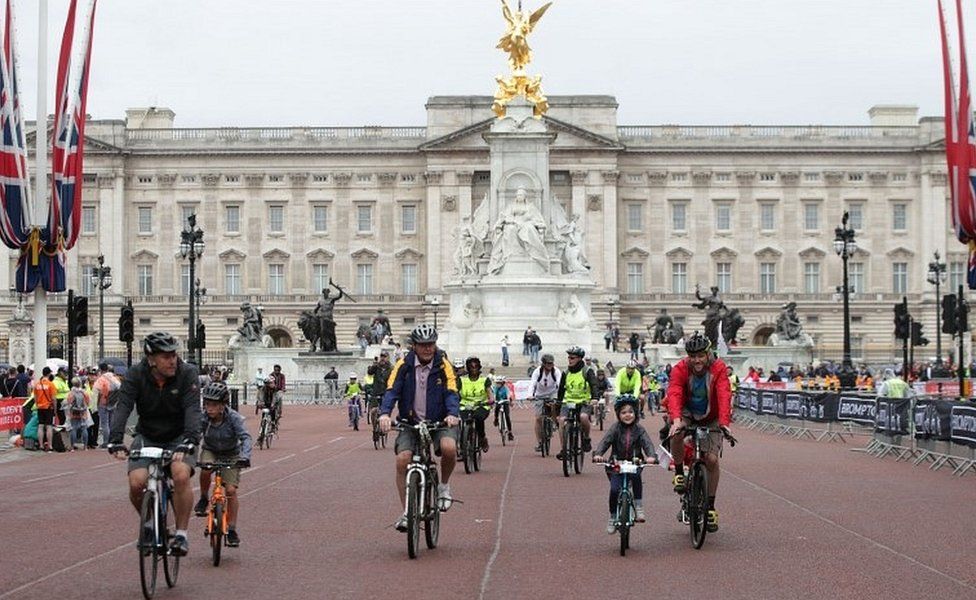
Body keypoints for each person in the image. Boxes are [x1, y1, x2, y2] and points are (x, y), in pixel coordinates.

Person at [108, 332, 202, 557]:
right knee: (136, 482)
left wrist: (190, 440)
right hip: (148, 435)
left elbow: (193, 410)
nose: (172, 361)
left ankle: (181, 534)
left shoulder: (187, 373)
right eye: (166, 356)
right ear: (151, 359)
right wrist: (115, 439)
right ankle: (149, 524)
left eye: (174, 355)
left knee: (180, 475)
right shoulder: (135, 375)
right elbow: (124, 407)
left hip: (180, 436)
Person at [378, 324, 460, 531]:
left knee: (449, 448)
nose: (427, 349)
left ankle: (443, 486)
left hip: (439, 420)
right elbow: (391, 390)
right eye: (423, 345)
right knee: (402, 460)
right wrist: (385, 414)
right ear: (414, 346)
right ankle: (407, 512)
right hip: (410, 421)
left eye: (430, 344)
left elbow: (451, 390)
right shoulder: (403, 365)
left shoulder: (443, 364)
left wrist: (452, 414)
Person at [666, 332, 733, 534]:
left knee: (711, 460)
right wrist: (677, 420)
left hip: (711, 416)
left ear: (708, 354)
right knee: (677, 433)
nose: (696, 360)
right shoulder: (680, 368)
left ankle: (710, 507)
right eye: (692, 356)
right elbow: (675, 392)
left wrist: (724, 423)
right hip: (687, 412)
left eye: (700, 355)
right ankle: (679, 472)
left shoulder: (719, 368)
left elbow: (723, 393)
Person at [192, 381, 252, 547]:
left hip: (231, 454)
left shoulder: (234, 418)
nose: (209, 408)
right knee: (205, 469)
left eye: (214, 405)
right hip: (210, 450)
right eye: (207, 404)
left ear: (223, 405)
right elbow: (195, 435)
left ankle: (232, 529)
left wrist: (245, 456)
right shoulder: (203, 418)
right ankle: (204, 498)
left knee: (231, 490)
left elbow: (245, 437)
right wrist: (189, 448)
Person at [592, 395, 656, 533]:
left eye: (631, 412)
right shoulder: (615, 428)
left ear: (636, 413)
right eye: (624, 412)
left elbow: (647, 443)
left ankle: (639, 507)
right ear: (618, 415)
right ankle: (613, 516)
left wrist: (651, 456)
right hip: (616, 465)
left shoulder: (639, 429)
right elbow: (605, 441)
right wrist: (598, 454)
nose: (628, 415)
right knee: (614, 490)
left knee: (636, 478)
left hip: (634, 463)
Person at [557, 346, 598, 459]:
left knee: (584, 417)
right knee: (561, 421)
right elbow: (561, 389)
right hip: (568, 401)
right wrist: (558, 402)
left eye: (572, 358)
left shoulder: (587, 371)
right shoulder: (566, 372)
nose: (569, 360)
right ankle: (564, 449)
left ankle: (586, 438)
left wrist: (595, 398)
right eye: (568, 357)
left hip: (584, 402)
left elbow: (594, 385)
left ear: (580, 359)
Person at [458, 356, 494, 452]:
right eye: (471, 367)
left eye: (475, 367)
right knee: (463, 422)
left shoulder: (484, 380)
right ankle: (463, 446)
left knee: (478, 418)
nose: (473, 369)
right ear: (468, 368)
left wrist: (491, 399)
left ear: (479, 367)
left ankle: (482, 438)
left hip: (481, 405)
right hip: (465, 405)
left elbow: (489, 392)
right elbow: (455, 393)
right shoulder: (462, 380)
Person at [529, 353, 562, 453]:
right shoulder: (537, 371)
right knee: (538, 418)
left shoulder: (556, 371)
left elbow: (559, 383)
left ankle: (553, 422)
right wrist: (530, 395)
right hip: (539, 395)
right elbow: (532, 383)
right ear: (543, 363)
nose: (550, 365)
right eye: (547, 363)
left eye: (551, 363)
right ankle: (540, 442)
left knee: (553, 406)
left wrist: (560, 397)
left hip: (552, 393)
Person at [94, 363, 122, 449]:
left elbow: (97, 391)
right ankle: (112, 440)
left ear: (100, 370)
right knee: (111, 423)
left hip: (103, 402)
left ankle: (106, 442)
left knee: (104, 424)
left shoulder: (101, 379)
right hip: (113, 402)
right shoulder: (115, 378)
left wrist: (96, 403)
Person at [66, 377, 90, 451]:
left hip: (73, 413)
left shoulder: (71, 393)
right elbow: (88, 402)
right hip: (83, 412)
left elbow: (68, 403)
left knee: (73, 429)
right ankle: (85, 446)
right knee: (84, 429)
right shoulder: (84, 393)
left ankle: (72, 447)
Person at [492, 376, 514, 441]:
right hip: (498, 402)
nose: (497, 384)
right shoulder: (495, 388)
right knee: (496, 410)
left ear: (502, 383)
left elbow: (509, 395)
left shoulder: (506, 388)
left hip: (505, 402)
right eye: (497, 383)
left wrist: (510, 401)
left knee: (507, 416)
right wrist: (493, 401)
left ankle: (510, 432)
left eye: (499, 383)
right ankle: (496, 419)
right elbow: (494, 395)